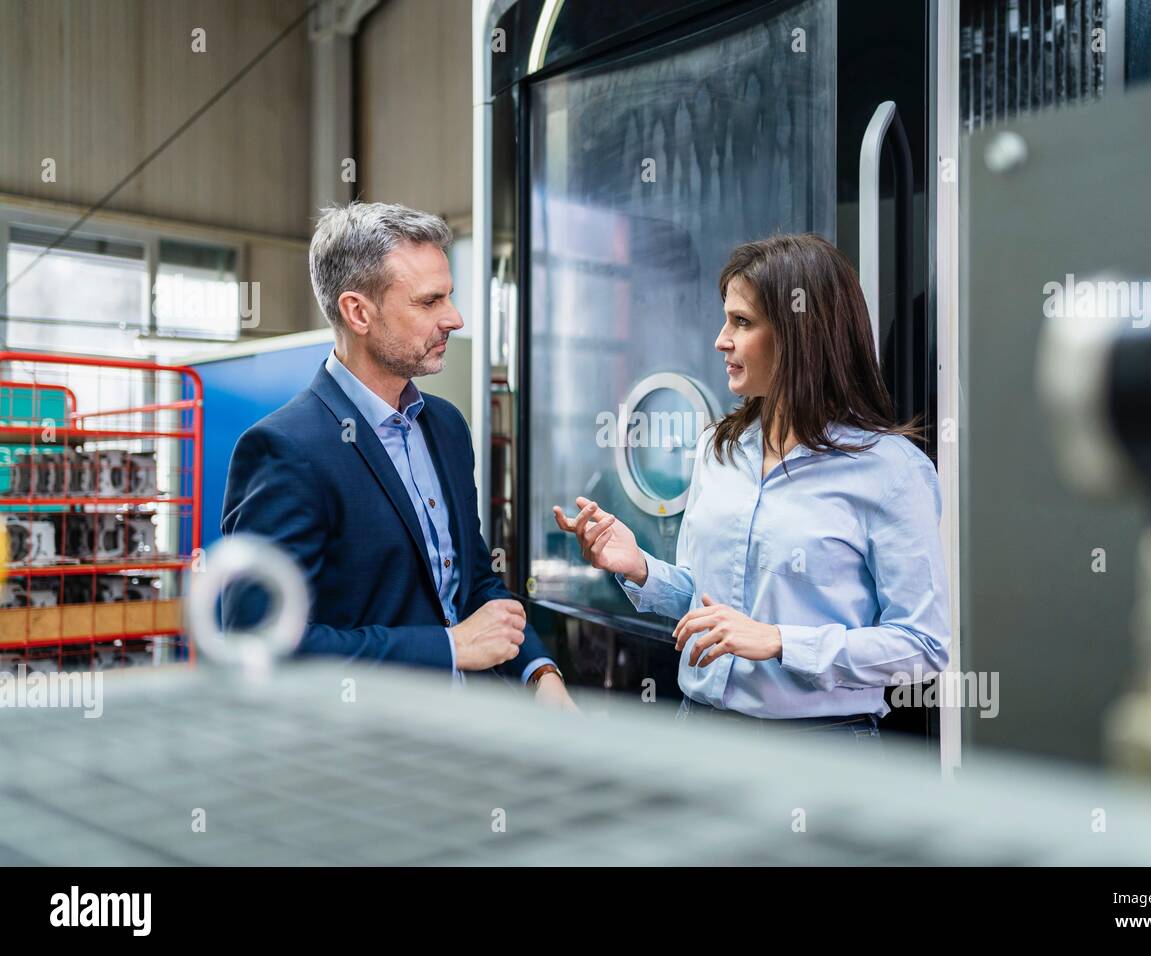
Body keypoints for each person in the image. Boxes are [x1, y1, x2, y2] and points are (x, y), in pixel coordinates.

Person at [553, 233, 949, 738]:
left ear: (801, 334)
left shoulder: (891, 471)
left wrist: (782, 641)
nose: (721, 339)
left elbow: (924, 646)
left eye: (742, 322)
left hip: (819, 746)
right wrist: (641, 569)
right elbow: (709, 611)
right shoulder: (718, 449)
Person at [222, 201, 575, 710]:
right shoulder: (285, 449)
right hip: (359, 750)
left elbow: (472, 579)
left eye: (449, 297)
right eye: (429, 302)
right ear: (358, 312)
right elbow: (261, 640)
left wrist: (537, 672)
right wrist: (449, 648)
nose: (453, 318)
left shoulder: (446, 426)